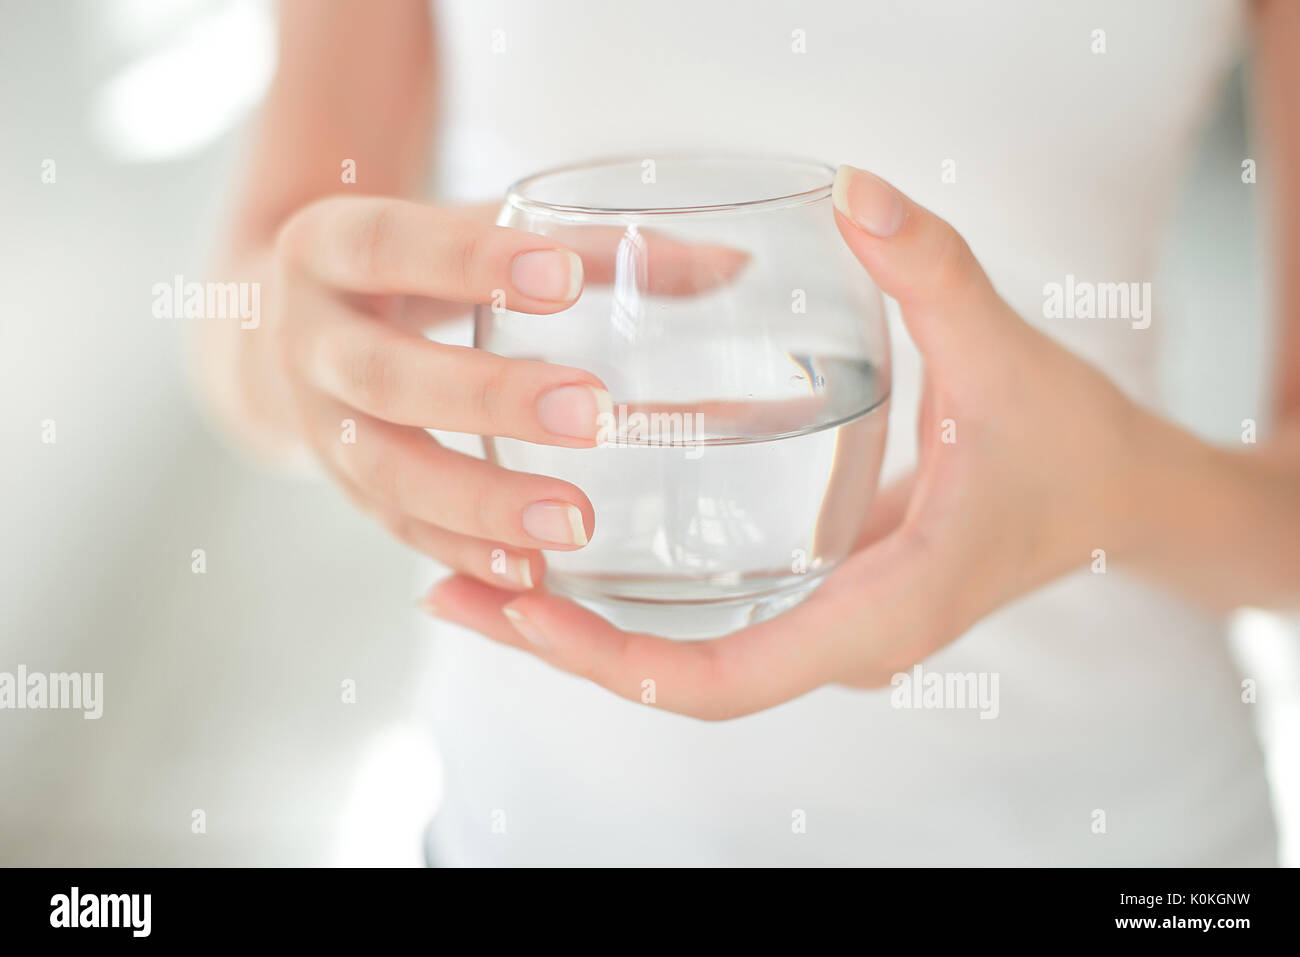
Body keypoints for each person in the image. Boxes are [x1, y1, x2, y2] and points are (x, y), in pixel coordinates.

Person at [195, 0, 1300, 865]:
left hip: (1111, 824)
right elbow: (253, 289)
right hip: (540, 827)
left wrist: (1112, 490)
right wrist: (307, 354)